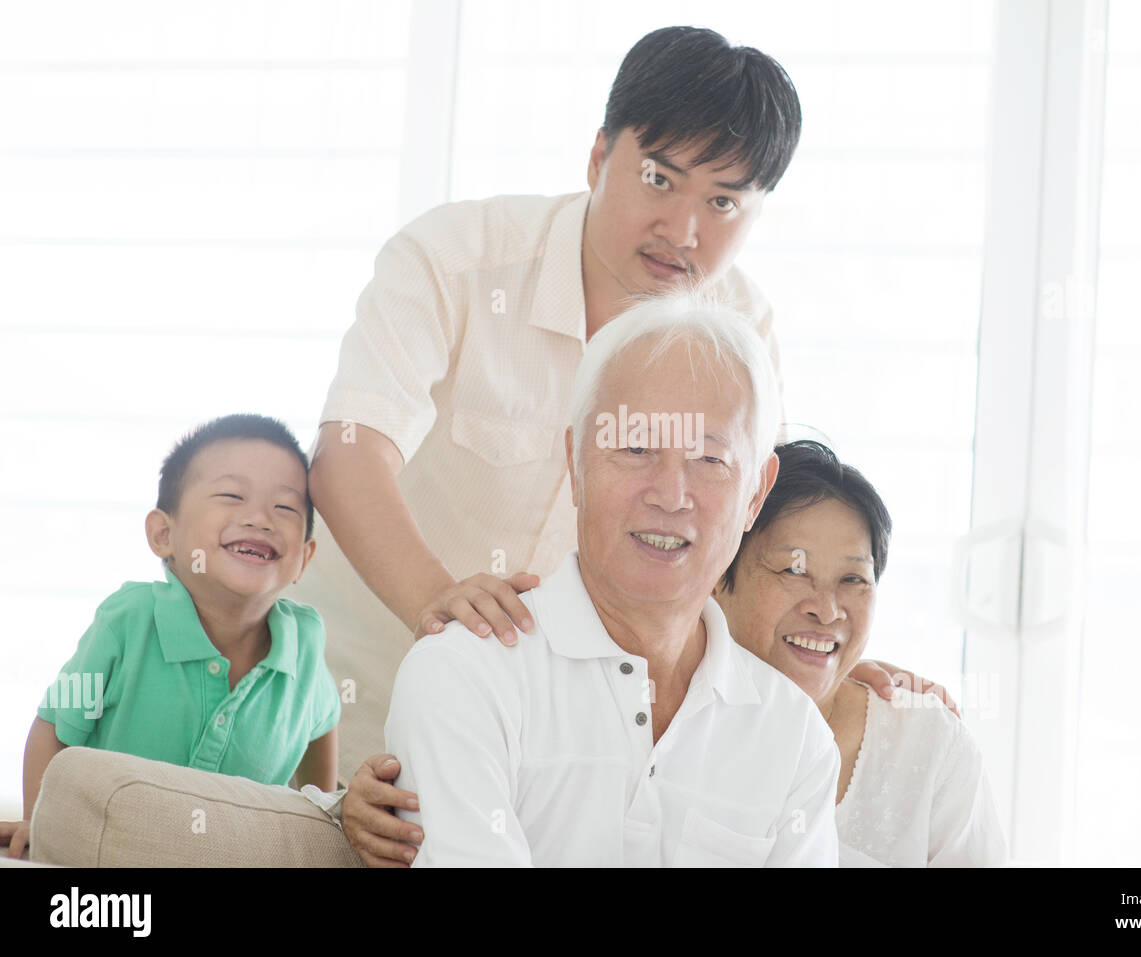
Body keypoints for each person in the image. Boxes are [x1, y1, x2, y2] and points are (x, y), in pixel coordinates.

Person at [295, 26, 954, 853]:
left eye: (722, 202)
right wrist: (438, 601)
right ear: (599, 154)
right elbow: (350, 453)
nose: (682, 230)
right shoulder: (456, 261)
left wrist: (819, 647)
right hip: (367, 695)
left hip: (586, 739)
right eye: (658, 178)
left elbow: (741, 535)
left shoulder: (740, 331)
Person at [383, 293, 839, 865]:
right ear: (576, 464)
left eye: (709, 459)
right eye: (635, 446)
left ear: (756, 494)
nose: (670, 495)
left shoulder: (795, 738)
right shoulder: (465, 673)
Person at [0, 414, 340, 859]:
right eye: (232, 495)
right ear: (164, 534)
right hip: (110, 850)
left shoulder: (306, 646)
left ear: (304, 559)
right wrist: (38, 821)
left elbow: (321, 736)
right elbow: (53, 727)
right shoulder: (127, 622)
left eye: (285, 507)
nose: (260, 518)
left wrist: (325, 813)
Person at [712, 440, 1008, 866]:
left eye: (853, 579)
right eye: (794, 570)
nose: (826, 608)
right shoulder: (672, 726)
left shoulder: (929, 745)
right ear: (720, 576)